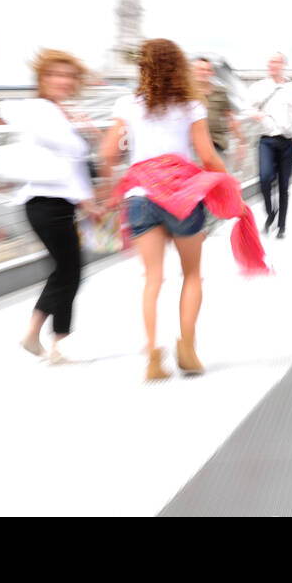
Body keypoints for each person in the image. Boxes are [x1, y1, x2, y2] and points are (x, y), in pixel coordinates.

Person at [99, 39, 227, 381]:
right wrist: (227, 184)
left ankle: (153, 356)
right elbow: (208, 156)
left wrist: (117, 179)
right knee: (192, 274)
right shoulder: (191, 105)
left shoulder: (127, 104)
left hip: (141, 197)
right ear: (179, 67)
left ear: (143, 67)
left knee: (152, 279)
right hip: (183, 198)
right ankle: (187, 346)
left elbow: (109, 151)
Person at [0, 49, 104, 365]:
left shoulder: (57, 112)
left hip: (53, 203)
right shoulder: (42, 111)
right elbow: (72, 156)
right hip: (47, 204)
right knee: (69, 270)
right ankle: (50, 340)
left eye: (69, 76)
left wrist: (79, 127)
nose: (63, 81)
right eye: (56, 75)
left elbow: (71, 161)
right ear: (43, 79)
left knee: (66, 270)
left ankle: (45, 339)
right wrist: (90, 203)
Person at [246, 52, 292, 239]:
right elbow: (246, 107)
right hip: (266, 139)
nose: (272, 65)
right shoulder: (259, 87)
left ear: (283, 64)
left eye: (276, 61)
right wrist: (256, 114)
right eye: (270, 62)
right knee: (265, 178)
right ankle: (270, 212)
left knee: (284, 185)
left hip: (287, 141)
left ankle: (281, 226)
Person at [191, 56, 246, 172]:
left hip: (216, 145)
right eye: (201, 69)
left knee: (219, 180)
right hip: (194, 145)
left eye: (207, 70)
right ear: (193, 71)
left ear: (212, 73)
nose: (204, 73)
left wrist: (241, 142)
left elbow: (230, 117)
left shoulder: (220, 91)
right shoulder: (187, 93)